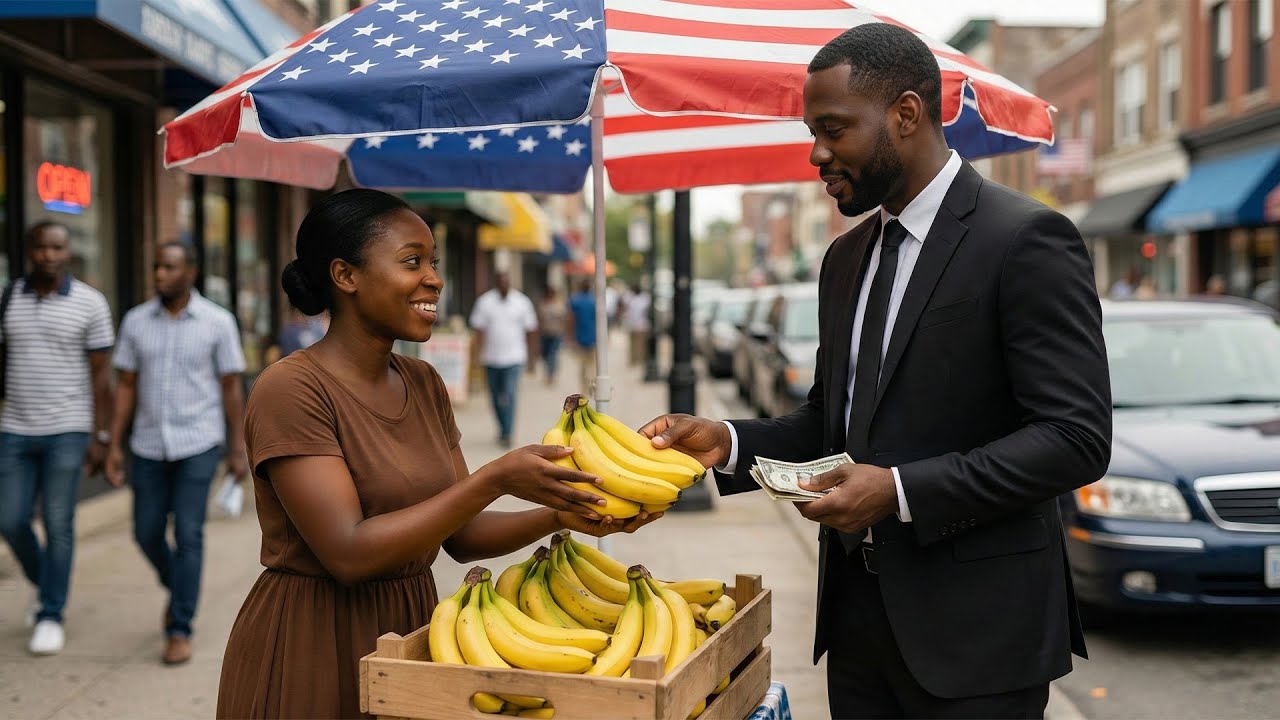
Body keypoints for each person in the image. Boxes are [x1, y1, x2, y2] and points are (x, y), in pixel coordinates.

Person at [640, 24, 1111, 720]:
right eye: (812, 130)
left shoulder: (1024, 240)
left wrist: (897, 490)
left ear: (907, 114)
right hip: (858, 631)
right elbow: (829, 420)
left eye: (833, 129)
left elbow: (1075, 438)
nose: (816, 153)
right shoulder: (846, 258)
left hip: (978, 645)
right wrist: (727, 442)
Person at [215, 189, 657, 719]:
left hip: (413, 630)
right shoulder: (291, 390)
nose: (434, 279)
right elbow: (348, 552)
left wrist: (563, 513)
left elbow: (462, 537)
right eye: (411, 262)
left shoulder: (423, 382)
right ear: (345, 276)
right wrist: (494, 479)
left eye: (434, 262)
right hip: (314, 641)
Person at [104, 241, 248, 666]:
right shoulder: (135, 322)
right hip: (147, 444)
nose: (159, 275)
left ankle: (179, 626)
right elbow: (126, 384)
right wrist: (113, 443)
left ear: (191, 272)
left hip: (198, 443)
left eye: (169, 267)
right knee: (145, 533)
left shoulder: (218, 322)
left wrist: (237, 446)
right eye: (156, 267)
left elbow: (230, 387)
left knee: (189, 534)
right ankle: (180, 586)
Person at [0, 221, 114, 655]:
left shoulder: (90, 303)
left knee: (58, 522)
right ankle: (46, 581)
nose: (49, 255)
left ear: (68, 252)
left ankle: (51, 614)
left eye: (58, 248)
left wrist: (101, 435)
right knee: (9, 519)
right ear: (29, 250)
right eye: (42, 247)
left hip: (69, 426)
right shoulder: (9, 298)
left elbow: (101, 377)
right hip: (15, 426)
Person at [469, 271, 538, 448]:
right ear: (496, 283)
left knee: (509, 394)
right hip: (491, 358)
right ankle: (502, 427)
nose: (504, 285)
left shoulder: (521, 302)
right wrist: (476, 356)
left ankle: (507, 432)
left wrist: (532, 359)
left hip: (514, 358)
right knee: (494, 396)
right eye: (500, 282)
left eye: (506, 282)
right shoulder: (485, 302)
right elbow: (479, 331)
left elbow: (531, 331)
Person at [568, 279, 597, 392]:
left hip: (580, 337)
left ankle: (584, 388)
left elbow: (570, 319)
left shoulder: (575, 300)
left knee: (583, 366)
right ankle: (591, 386)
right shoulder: (594, 300)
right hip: (592, 337)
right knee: (592, 365)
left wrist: (569, 337)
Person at [536, 285, 568, 386]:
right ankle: (548, 373)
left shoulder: (560, 304)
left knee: (552, 356)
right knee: (545, 355)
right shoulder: (542, 303)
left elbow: (564, 318)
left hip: (556, 334)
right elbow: (539, 318)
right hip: (545, 334)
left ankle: (551, 376)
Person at [623, 283, 651, 367]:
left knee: (637, 344)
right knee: (639, 344)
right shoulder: (644, 298)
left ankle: (636, 360)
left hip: (638, 325)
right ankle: (637, 360)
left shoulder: (634, 298)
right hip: (639, 325)